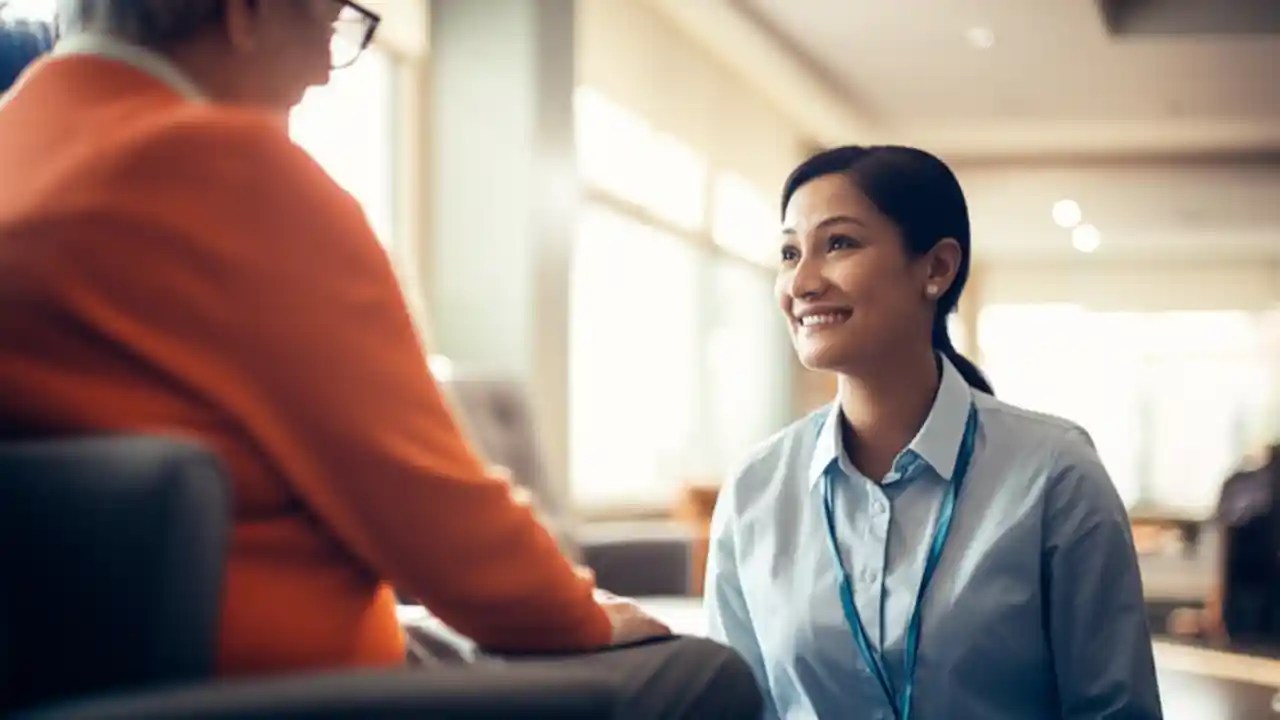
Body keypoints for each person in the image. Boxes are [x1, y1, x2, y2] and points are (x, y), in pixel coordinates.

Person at [0, 1, 760, 713]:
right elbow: (456, 544)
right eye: (331, 23)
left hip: (73, 685)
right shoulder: (232, 171)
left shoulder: (18, 148)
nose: (326, 72)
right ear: (246, 12)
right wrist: (586, 614)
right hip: (277, 684)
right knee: (708, 676)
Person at [704, 145, 1162, 719]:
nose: (803, 281)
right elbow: (737, 707)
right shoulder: (756, 490)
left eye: (839, 243)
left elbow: (1115, 711)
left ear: (937, 269)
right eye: (790, 252)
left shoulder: (1054, 475)